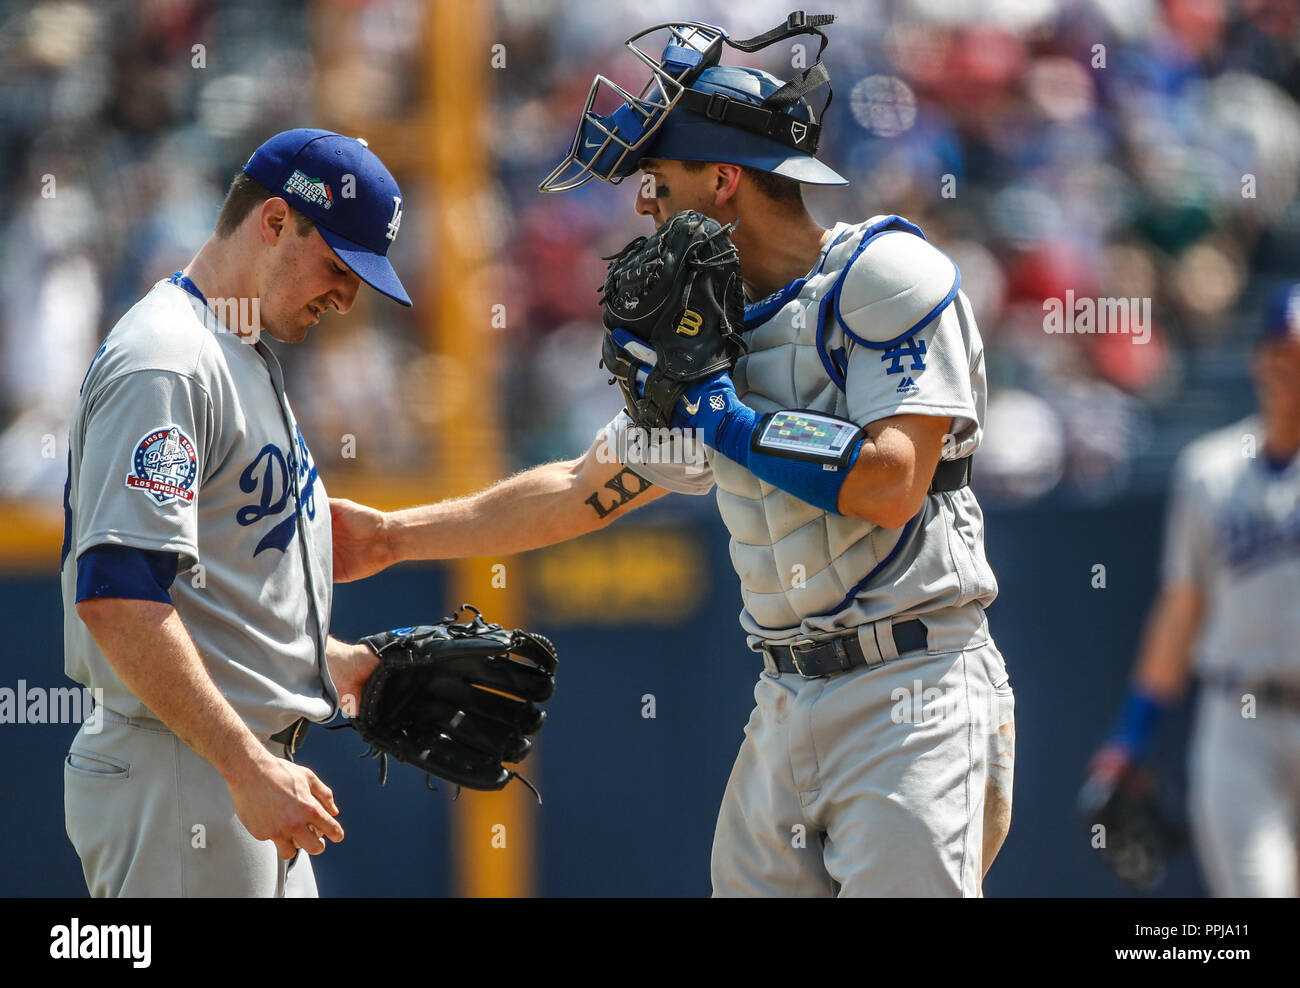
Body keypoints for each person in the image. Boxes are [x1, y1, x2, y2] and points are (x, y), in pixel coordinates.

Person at [333, 14, 1015, 896]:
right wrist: (395, 535)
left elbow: (890, 482)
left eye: (657, 181)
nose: (643, 207)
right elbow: (582, 489)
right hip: (786, 697)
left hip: (915, 690)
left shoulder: (880, 276)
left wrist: (723, 419)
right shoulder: (710, 337)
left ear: (724, 179)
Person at [61, 128, 411, 897]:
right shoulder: (169, 357)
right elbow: (119, 598)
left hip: (231, 767)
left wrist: (329, 662)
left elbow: (210, 590)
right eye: (338, 265)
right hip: (183, 775)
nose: (347, 296)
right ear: (277, 221)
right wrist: (245, 764)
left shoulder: (238, 351)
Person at [1087, 284, 1300, 897]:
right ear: (1260, 358)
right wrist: (1131, 734)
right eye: (1283, 354)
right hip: (1241, 722)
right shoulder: (1211, 470)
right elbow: (1183, 607)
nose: (1293, 371)